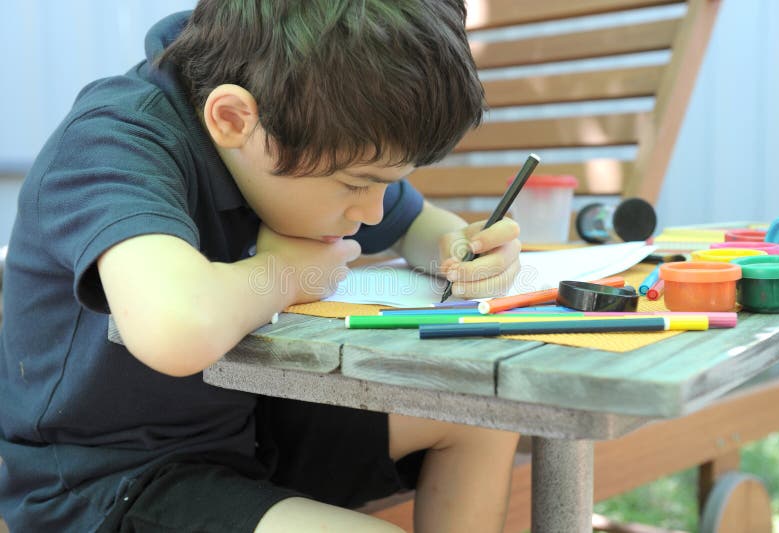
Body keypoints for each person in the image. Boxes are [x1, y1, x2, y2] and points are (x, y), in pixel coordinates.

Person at [0, 1, 523, 531]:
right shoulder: (114, 143)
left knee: (478, 412)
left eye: (388, 182)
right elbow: (177, 328)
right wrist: (287, 273)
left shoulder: (298, 116)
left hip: (246, 424)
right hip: (108, 477)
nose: (371, 211)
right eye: (357, 184)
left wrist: (459, 247)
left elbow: (417, 224)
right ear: (232, 119)